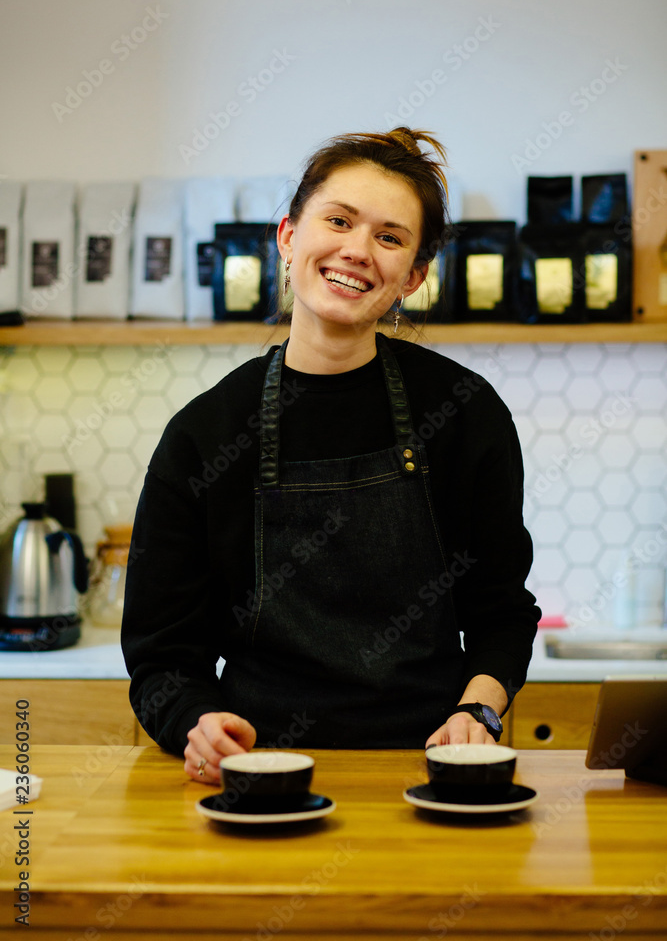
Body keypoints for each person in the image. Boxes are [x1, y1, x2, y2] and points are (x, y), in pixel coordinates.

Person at [121, 127, 541, 785]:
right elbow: (160, 655)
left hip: (430, 770)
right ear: (287, 237)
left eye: (389, 237)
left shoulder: (462, 412)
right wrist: (195, 723)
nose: (356, 251)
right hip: (262, 771)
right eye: (338, 220)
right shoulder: (205, 434)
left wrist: (478, 712)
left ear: (414, 276)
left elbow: (501, 611)